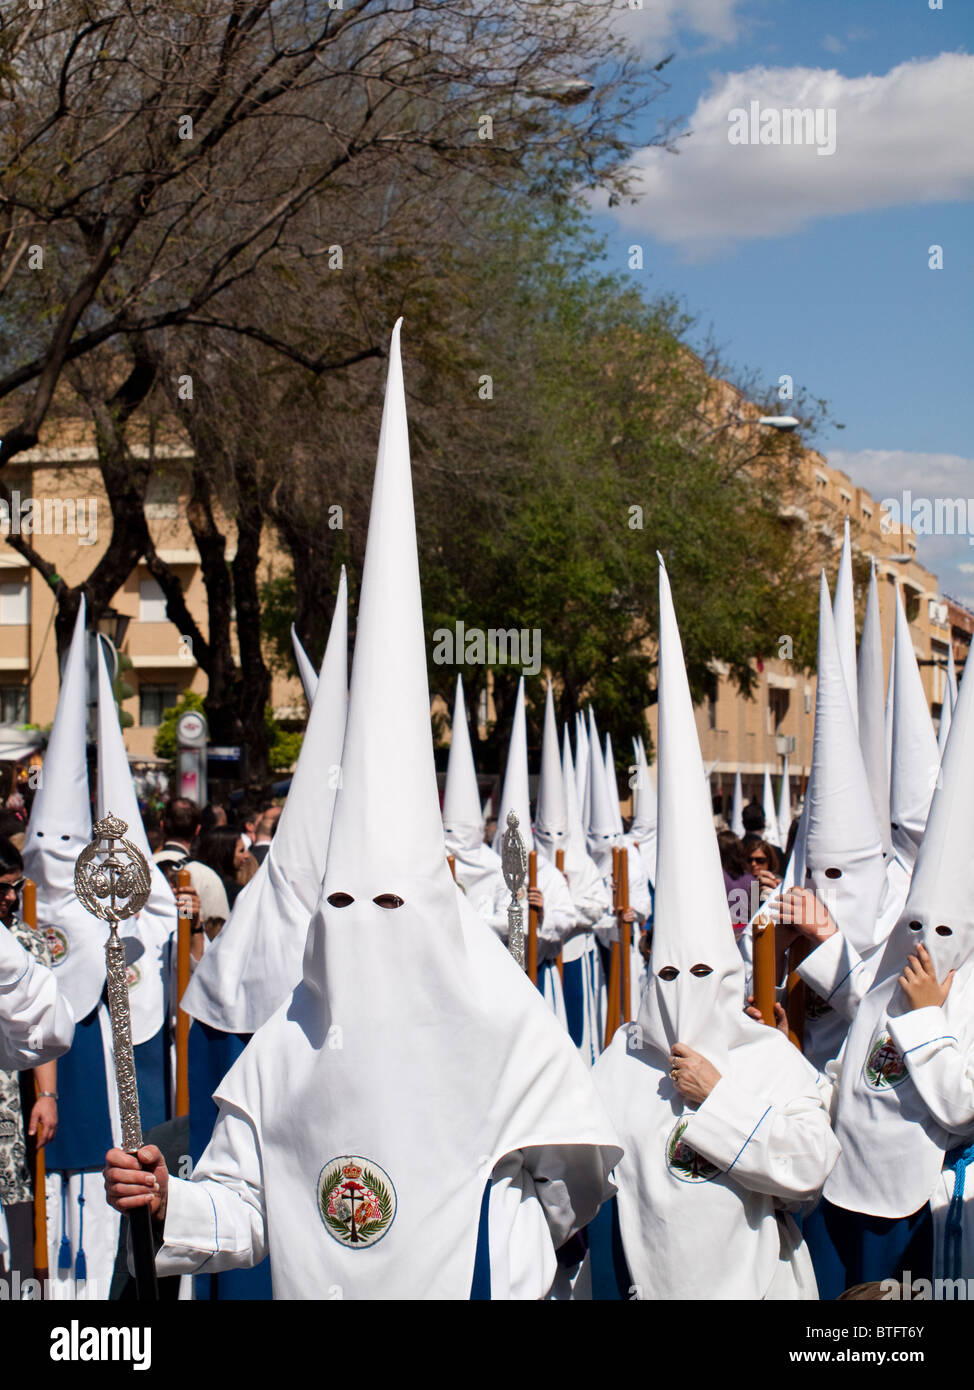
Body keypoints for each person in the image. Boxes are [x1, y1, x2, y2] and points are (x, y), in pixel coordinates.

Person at [105, 320, 621, 1299]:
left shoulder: (503, 1028)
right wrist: (170, 1204)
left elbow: (574, 1184)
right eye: (340, 909)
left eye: (386, 907)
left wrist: (500, 1232)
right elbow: (244, 1207)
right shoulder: (286, 1045)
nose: (359, 931)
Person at [584, 559, 838, 1301]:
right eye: (668, 977)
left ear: (729, 978)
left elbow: (809, 1170)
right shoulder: (619, 1065)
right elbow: (578, 1187)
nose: (683, 993)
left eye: (702, 976)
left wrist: (720, 1098)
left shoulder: (769, 1059)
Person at [0, 841, 58, 1284]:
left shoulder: (27, 942)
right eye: (2, 887)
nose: (11, 896)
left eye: (16, 886)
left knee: (17, 1213)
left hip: (10, 1098)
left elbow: (43, 1028)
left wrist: (47, 1094)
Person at [153, 798, 230, 931]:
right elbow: (219, 931)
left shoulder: (142, 870)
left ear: (161, 825)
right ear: (197, 829)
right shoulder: (207, 876)